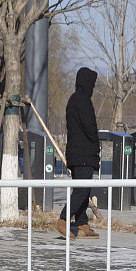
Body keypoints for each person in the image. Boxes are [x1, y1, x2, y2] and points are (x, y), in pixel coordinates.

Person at [55, 67, 100, 240]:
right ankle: (63, 219)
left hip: (75, 152)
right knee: (82, 190)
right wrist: (96, 145)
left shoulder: (73, 99)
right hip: (84, 153)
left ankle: (82, 224)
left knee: (83, 189)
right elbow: (90, 127)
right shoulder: (83, 101)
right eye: (92, 84)